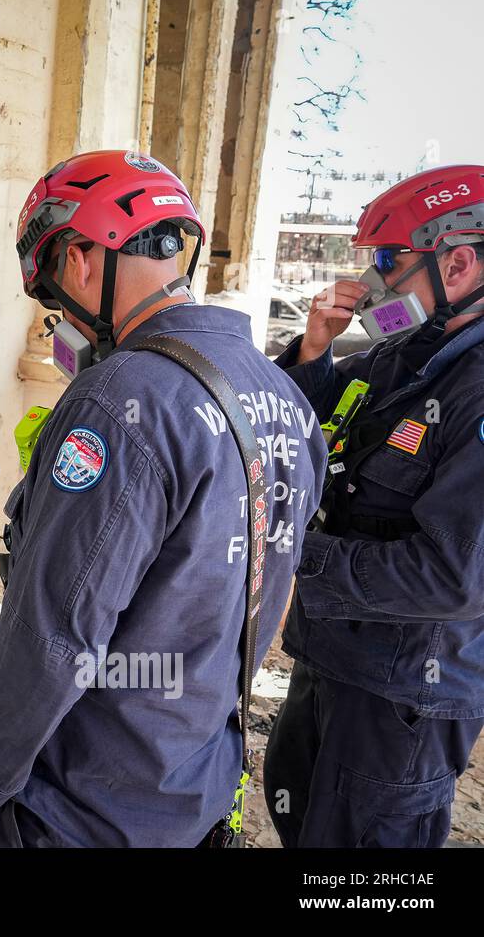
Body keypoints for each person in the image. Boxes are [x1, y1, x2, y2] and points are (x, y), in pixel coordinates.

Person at [0, 149, 326, 847]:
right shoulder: (282, 395)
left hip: (80, 801)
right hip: (192, 784)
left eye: (51, 291)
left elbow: (55, 630)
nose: (58, 318)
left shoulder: (120, 400)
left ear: (81, 256)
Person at [263, 164, 484, 848]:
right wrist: (313, 349)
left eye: (389, 261)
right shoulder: (404, 355)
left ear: (459, 262)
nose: (372, 283)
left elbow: (456, 578)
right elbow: (302, 414)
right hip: (334, 654)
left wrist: (294, 549)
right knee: (299, 817)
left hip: (407, 697)